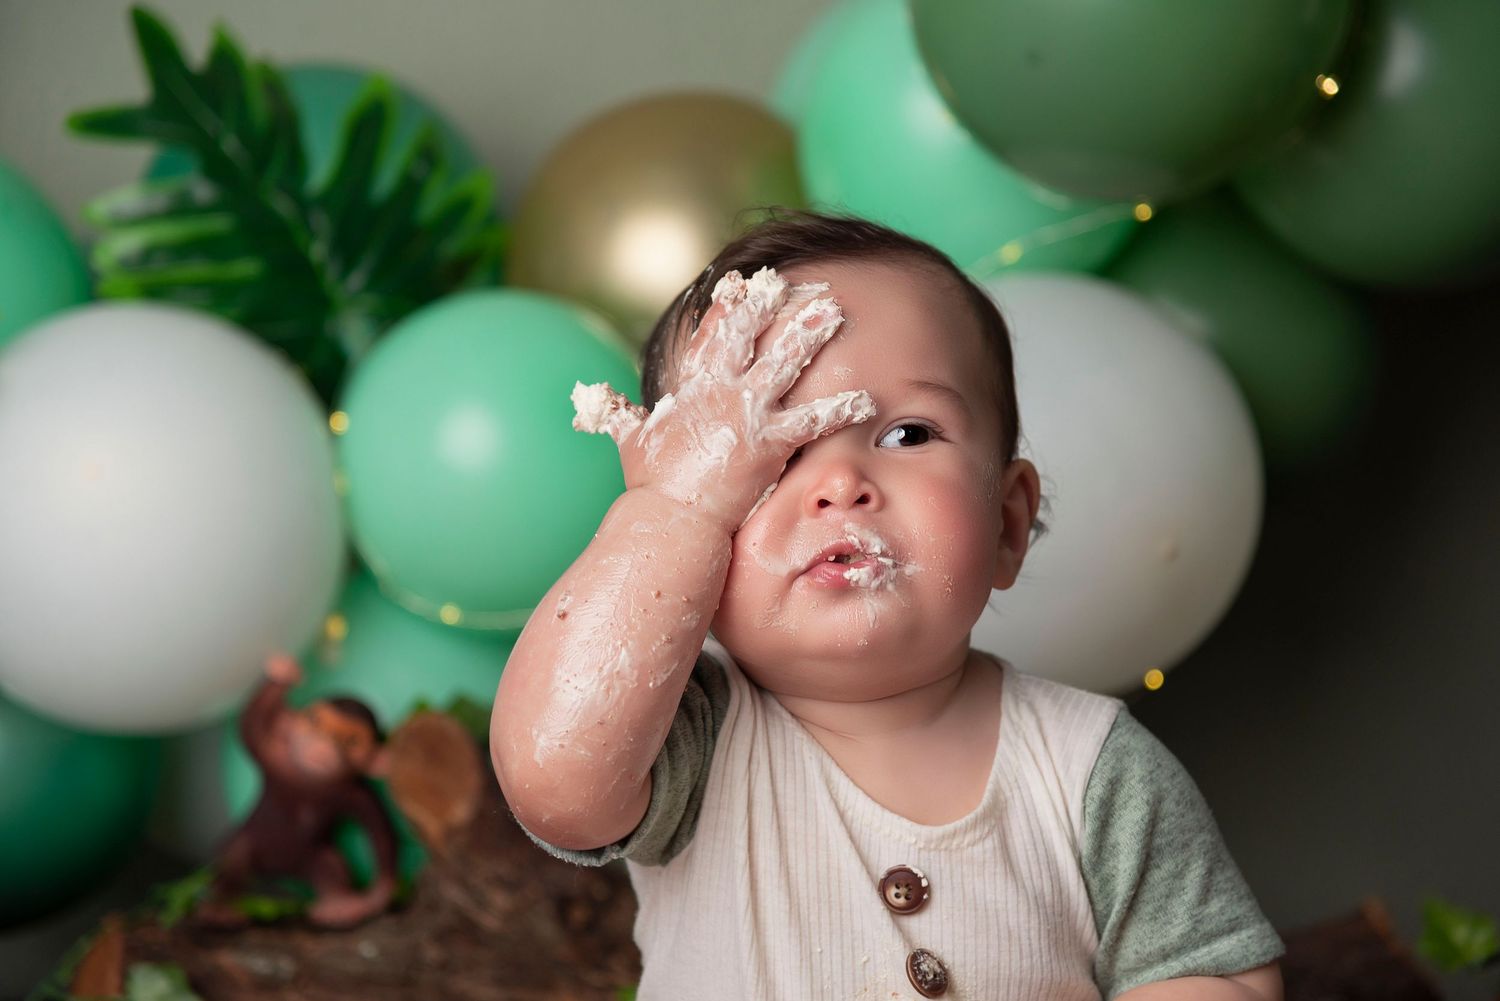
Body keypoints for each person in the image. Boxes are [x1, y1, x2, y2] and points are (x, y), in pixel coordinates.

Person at [490, 210, 1284, 999]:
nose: (839, 485)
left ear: (1007, 522)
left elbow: (1216, 971)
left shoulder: (1089, 768)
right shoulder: (695, 735)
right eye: (769, 454)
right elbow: (557, 778)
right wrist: (674, 509)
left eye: (908, 434)